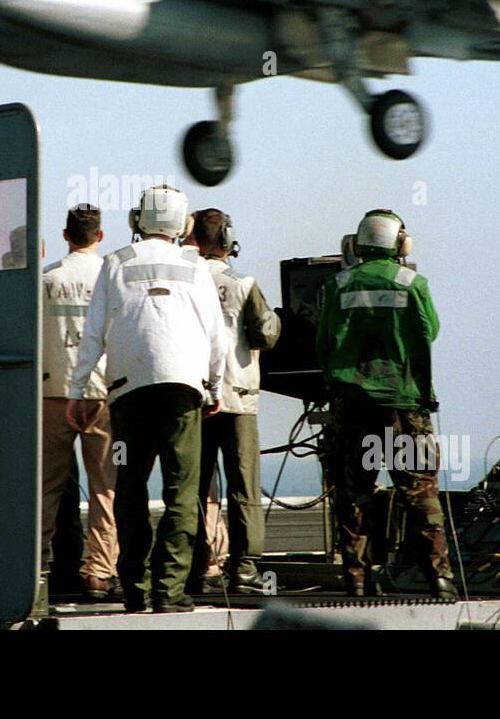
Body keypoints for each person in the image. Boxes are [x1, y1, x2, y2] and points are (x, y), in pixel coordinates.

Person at [69, 185, 227, 613]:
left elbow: (93, 333)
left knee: (129, 489)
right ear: (182, 224)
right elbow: (217, 336)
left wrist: (78, 390)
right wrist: (214, 386)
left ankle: (135, 590)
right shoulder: (195, 265)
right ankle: (169, 592)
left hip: (127, 392)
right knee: (182, 490)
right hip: (184, 392)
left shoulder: (115, 263)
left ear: (137, 221)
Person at [314, 208, 456, 599]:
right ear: (400, 244)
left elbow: (323, 346)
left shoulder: (337, 285)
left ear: (358, 244)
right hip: (405, 404)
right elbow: (431, 331)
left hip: (354, 406)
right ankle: (438, 579)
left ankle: (357, 579)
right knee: (419, 492)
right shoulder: (414, 283)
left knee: (355, 490)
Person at [186, 209, 280, 595]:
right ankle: (244, 570)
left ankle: (196, 569)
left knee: (193, 487)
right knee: (244, 486)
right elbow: (266, 335)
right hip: (237, 397)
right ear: (226, 238)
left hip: (195, 397)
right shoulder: (244, 283)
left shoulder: (185, 278)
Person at [41, 204, 118, 601]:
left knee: (48, 487)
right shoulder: (113, 276)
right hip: (103, 393)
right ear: (100, 236)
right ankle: (100, 572)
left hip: (54, 391)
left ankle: (36, 567)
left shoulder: (46, 278)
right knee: (105, 486)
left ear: (66, 234)